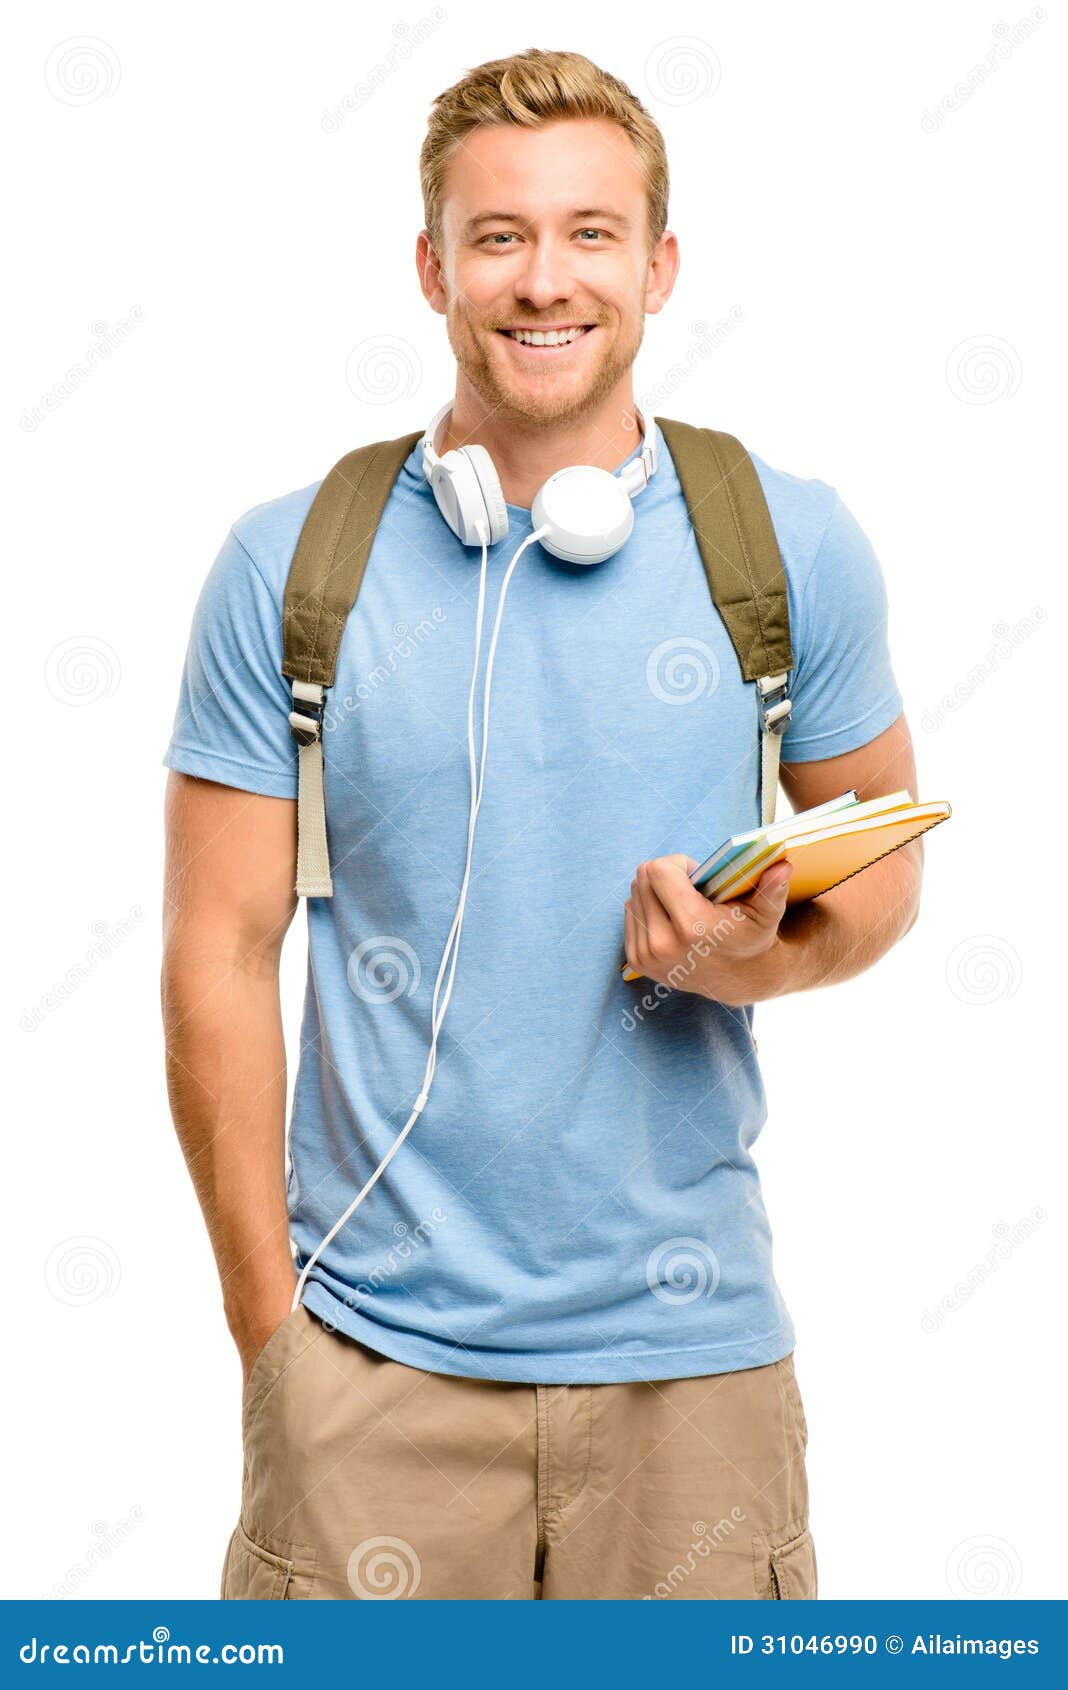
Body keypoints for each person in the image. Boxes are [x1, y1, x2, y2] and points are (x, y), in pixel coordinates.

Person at [161, 48, 921, 1601]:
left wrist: (746, 964)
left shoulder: (787, 544)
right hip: (368, 1369)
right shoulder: (289, 566)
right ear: (435, 267)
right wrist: (271, 1341)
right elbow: (215, 956)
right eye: (499, 236)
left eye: (590, 232)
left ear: (660, 264)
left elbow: (886, 864)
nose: (544, 279)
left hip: (695, 1372)